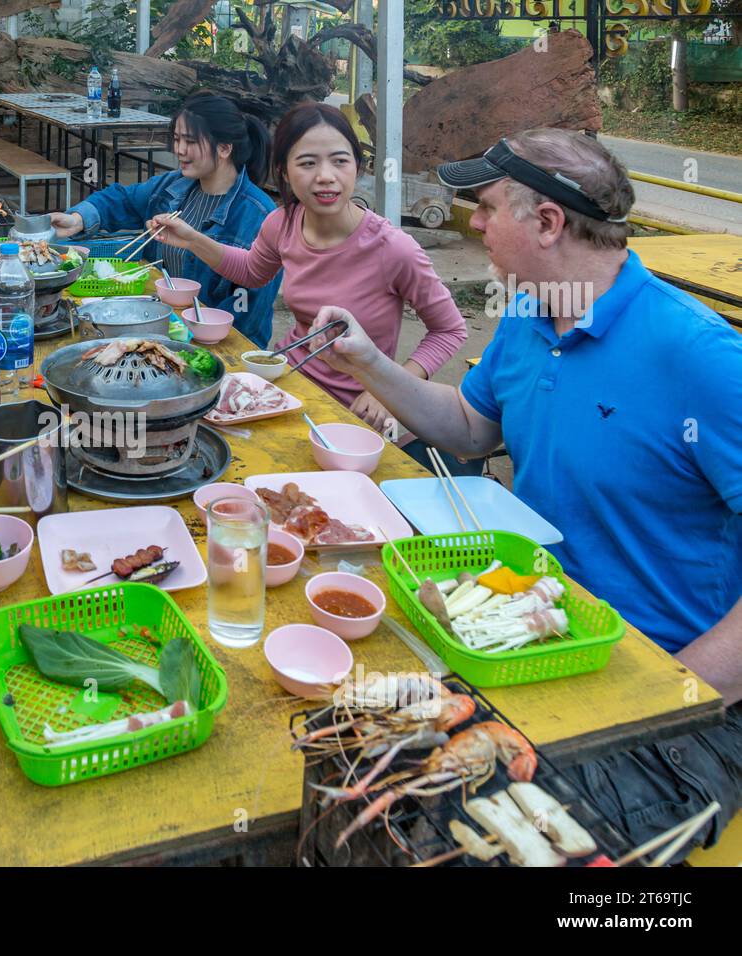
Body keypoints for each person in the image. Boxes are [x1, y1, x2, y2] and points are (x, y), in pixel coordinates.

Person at [300, 128, 742, 860]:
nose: (472, 222)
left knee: (486, 847)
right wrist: (369, 360)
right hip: (525, 639)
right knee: (345, 765)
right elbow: (473, 430)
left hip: (673, 693)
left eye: (487, 206)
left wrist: (669, 695)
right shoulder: (533, 315)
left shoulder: (699, 356)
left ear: (547, 222)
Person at [149, 102, 472, 471]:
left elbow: (450, 329)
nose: (325, 176)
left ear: (358, 168)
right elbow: (253, 270)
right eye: (307, 163)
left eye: (340, 161)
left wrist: (391, 391)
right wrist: (192, 239)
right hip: (286, 389)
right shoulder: (282, 223)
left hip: (354, 415)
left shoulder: (393, 249)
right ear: (284, 173)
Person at [49, 91, 282, 347]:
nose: (179, 150)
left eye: (191, 141)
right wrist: (77, 219)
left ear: (225, 148)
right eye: (177, 139)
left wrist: (188, 336)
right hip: (165, 329)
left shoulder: (258, 215)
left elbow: (247, 315)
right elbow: (122, 199)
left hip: (217, 347)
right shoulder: (172, 187)